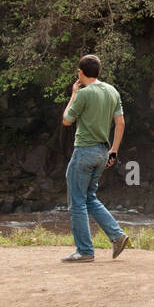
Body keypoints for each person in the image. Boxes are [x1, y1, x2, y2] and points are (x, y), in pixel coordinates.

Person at [60, 54, 130, 262]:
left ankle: (84, 251)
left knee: (77, 202)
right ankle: (117, 236)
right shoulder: (112, 91)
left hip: (84, 151)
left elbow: (66, 120)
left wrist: (74, 93)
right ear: (99, 71)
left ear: (80, 73)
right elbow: (120, 123)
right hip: (102, 152)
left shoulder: (84, 94)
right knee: (89, 198)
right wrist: (114, 151)